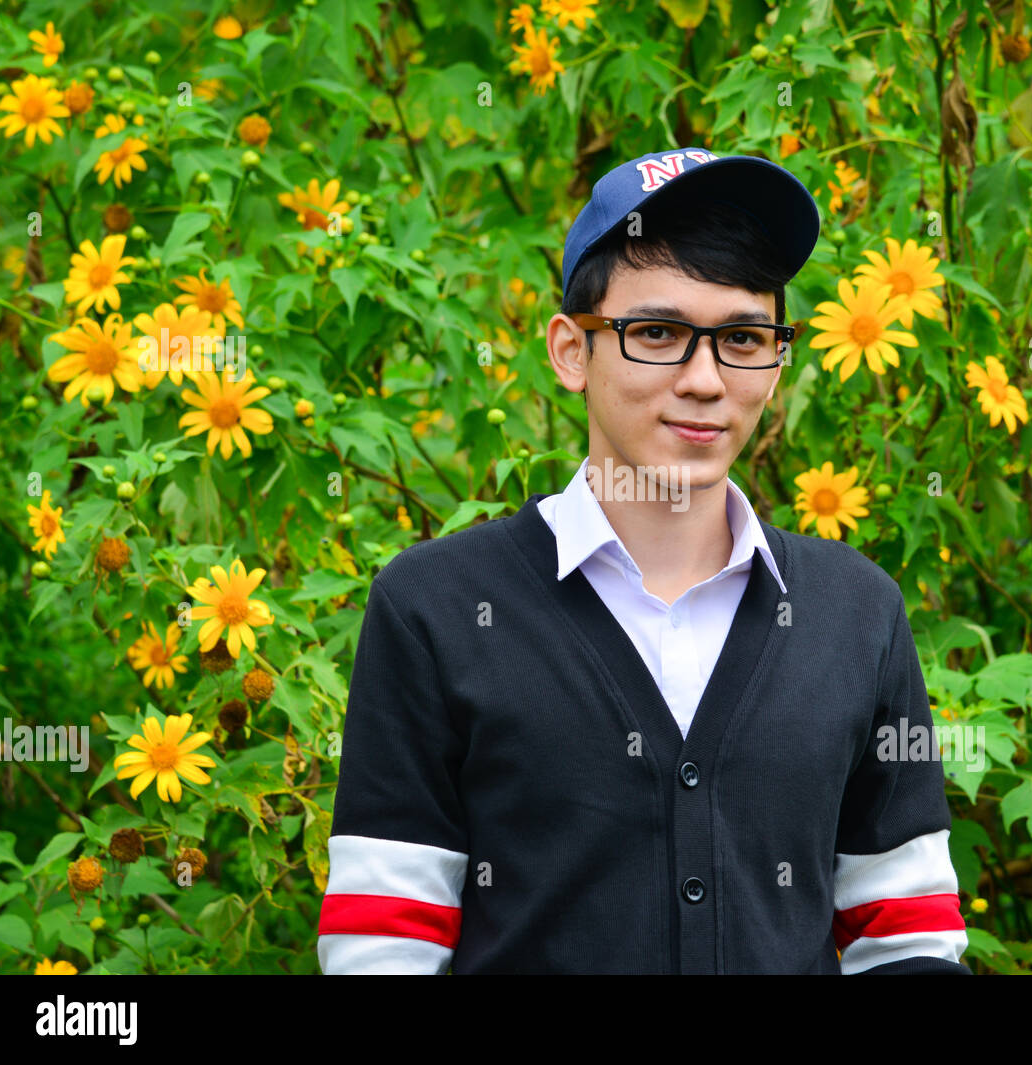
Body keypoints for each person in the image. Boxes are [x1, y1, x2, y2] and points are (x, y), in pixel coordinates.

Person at [316, 147, 970, 974]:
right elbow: (384, 948)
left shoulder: (857, 613)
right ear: (569, 350)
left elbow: (906, 940)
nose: (704, 380)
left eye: (743, 337)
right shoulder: (433, 608)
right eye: (657, 333)